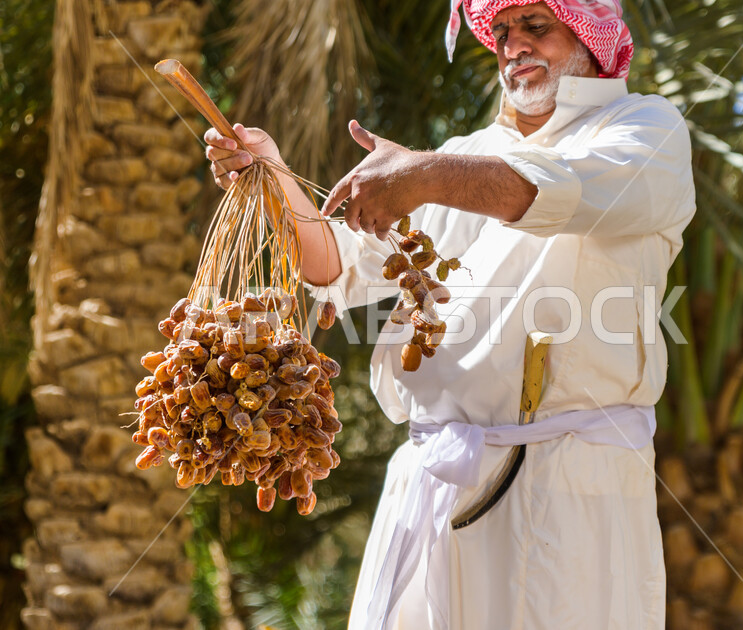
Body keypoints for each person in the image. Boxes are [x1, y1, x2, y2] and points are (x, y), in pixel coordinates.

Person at [205, 1, 695, 627]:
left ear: (591, 36)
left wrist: (426, 174)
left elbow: (552, 188)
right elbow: (334, 264)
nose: (513, 44)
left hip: (572, 491)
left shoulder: (644, 128)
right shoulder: (458, 157)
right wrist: (271, 175)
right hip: (429, 483)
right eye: (501, 31)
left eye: (536, 27)